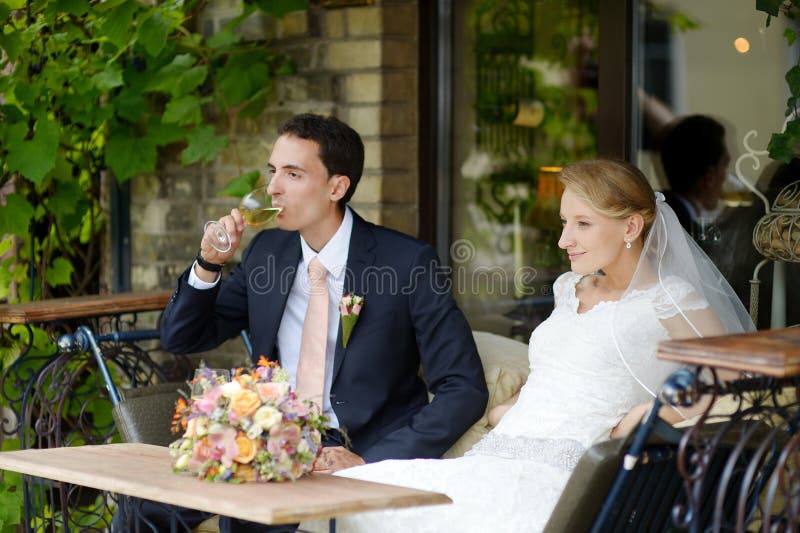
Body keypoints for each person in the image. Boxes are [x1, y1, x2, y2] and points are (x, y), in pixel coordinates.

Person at [299, 159, 754, 533]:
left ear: (632, 225)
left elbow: (736, 390)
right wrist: (510, 406)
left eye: (582, 224)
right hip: (500, 453)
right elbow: (563, 369)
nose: (563, 240)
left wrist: (648, 415)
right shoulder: (568, 288)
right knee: (363, 488)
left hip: (572, 471)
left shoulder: (669, 298)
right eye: (563, 223)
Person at [148, 114, 488, 532]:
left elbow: (464, 387)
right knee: (147, 508)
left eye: (293, 173)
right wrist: (208, 263)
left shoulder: (406, 263)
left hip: (355, 445)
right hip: (268, 437)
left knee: (249, 522)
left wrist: (371, 460)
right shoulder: (267, 252)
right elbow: (181, 336)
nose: (272, 188)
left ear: (336, 187)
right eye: (274, 171)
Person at [659, 114, 730, 237]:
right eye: (724, 166)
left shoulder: (663, 209)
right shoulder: (683, 229)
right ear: (710, 176)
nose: (725, 177)